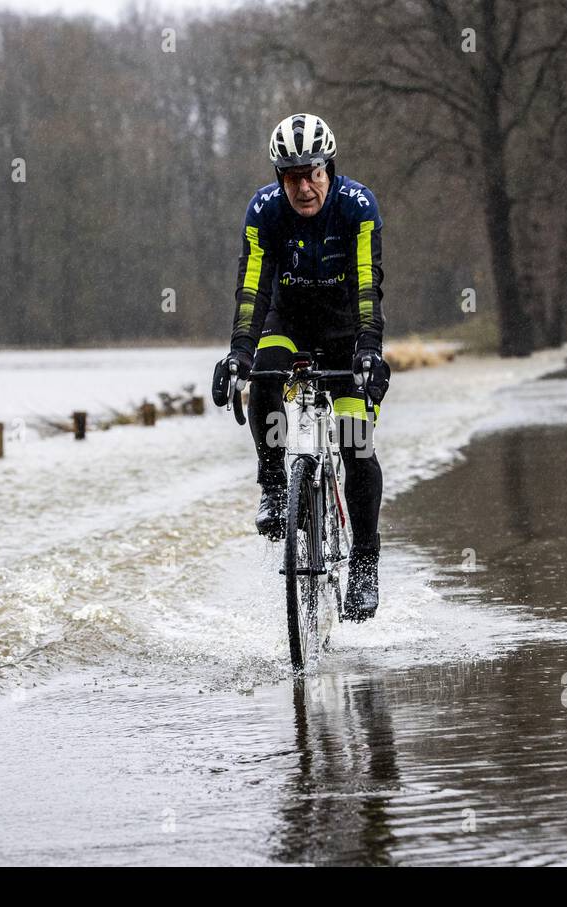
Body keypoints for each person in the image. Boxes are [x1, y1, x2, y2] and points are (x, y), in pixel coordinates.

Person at [211, 113, 390, 621]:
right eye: (292, 176)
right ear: (278, 178)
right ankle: (273, 483)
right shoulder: (264, 211)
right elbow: (252, 285)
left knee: (356, 441)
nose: (304, 186)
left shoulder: (358, 206)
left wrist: (370, 350)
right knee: (264, 376)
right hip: (286, 319)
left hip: (345, 328)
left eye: (312, 173)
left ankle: (365, 563)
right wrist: (238, 352)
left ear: (328, 169)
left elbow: (366, 283)